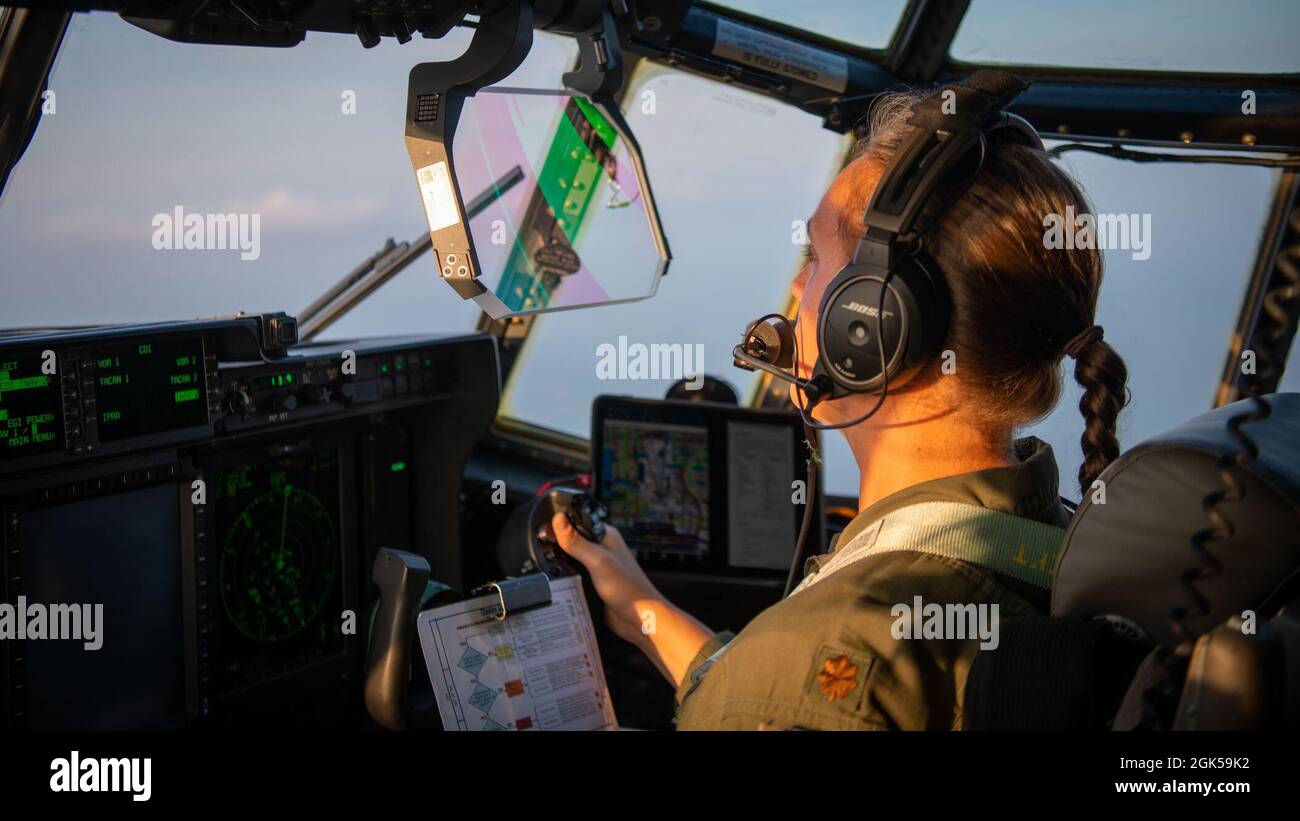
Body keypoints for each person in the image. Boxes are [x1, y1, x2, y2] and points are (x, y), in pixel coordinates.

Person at [554, 82, 1129, 730]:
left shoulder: (823, 651)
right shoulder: (1057, 541)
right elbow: (787, 692)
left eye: (818, 257)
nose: (797, 284)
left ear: (878, 321)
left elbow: (793, 691)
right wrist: (641, 608)